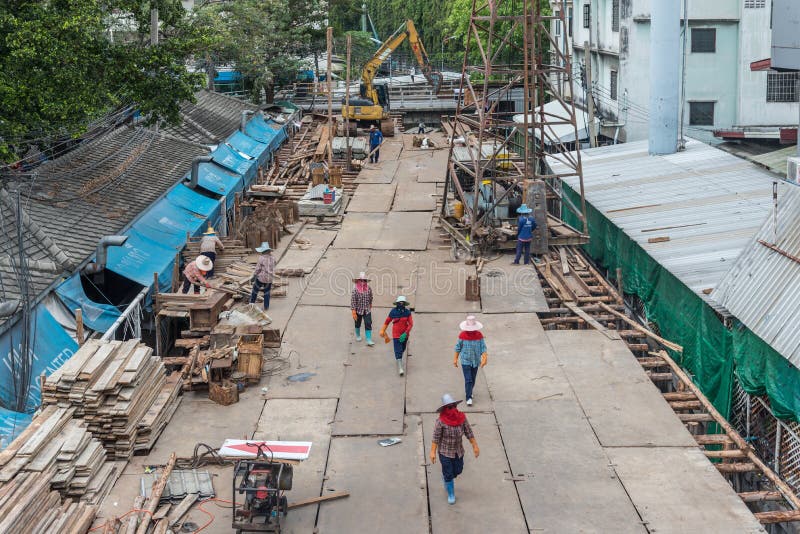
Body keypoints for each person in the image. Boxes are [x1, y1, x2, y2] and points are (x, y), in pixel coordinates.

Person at [429, 393, 480, 505]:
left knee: (458, 470)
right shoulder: (440, 422)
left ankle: (447, 477)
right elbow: (435, 438)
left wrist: (475, 446)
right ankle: (451, 493)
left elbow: (468, 432)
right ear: (444, 409)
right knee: (448, 473)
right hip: (445, 452)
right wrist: (432, 452)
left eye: (454, 406)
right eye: (449, 407)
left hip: (458, 451)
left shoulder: (462, 418)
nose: (452, 409)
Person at [453, 315, 488, 406]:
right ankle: (468, 397)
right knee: (468, 379)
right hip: (465, 361)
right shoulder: (462, 336)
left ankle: (469, 390)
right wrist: (455, 359)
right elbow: (458, 348)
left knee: (472, 379)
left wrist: (485, 358)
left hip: (475, 361)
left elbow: (483, 348)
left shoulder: (479, 336)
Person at [379, 296, 413, 376]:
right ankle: (400, 367)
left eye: (402, 302)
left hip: (405, 335)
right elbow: (387, 321)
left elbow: (411, 324)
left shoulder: (407, 312)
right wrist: (383, 330)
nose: (401, 304)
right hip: (396, 335)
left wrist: (406, 333)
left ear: (404, 303)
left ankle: (399, 358)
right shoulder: (393, 312)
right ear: (397, 303)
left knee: (402, 349)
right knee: (398, 350)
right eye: (400, 302)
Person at [351, 272, 375, 347]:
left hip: (367, 310)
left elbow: (371, 296)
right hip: (358, 310)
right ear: (358, 281)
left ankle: (368, 339)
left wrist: (370, 303)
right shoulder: (355, 290)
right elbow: (353, 301)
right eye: (361, 280)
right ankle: (358, 335)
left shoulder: (368, 289)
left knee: (368, 323)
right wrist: (353, 311)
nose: (363, 282)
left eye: (364, 280)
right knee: (357, 324)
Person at [250, 242, 275, 310]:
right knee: (267, 292)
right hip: (269, 278)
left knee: (255, 290)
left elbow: (258, 269)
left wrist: (254, 276)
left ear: (263, 251)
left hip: (261, 278)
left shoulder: (261, 258)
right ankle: (266, 306)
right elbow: (272, 267)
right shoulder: (272, 258)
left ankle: (251, 303)